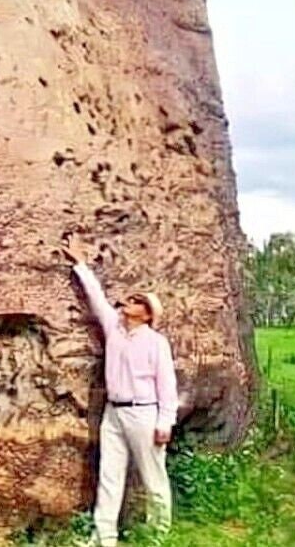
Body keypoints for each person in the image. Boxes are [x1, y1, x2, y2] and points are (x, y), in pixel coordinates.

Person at [63, 234, 178, 546]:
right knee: (109, 475)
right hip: (114, 413)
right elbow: (97, 297)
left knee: (153, 477)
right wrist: (81, 264)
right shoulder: (114, 327)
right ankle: (104, 538)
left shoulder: (156, 343)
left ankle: (156, 536)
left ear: (148, 314)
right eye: (132, 298)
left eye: (138, 301)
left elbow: (167, 384)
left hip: (144, 413)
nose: (130, 301)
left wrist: (165, 421)